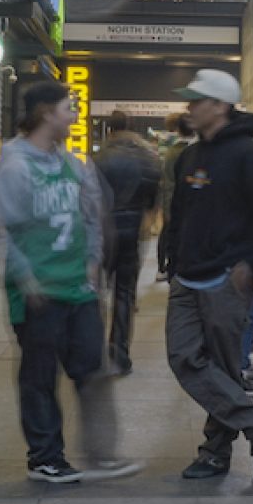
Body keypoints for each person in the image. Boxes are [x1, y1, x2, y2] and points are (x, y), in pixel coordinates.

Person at [0, 82, 140, 485]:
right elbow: (3, 231)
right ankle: (45, 458)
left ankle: (102, 454)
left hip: (79, 289)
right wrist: (25, 278)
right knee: (39, 376)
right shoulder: (15, 165)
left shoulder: (75, 165)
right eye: (66, 107)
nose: (73, 115)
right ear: (44, 113)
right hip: (37, 295)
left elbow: (92, 216)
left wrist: (93, 263)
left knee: (92, 370)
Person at [159, 72, 253, 483]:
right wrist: (171, 253)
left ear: (220, 105)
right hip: (188, 275)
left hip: (226, 279)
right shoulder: (190, 157)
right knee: (184, 356)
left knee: (223, 368)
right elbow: (180, 212)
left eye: (197, 101)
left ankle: (215, 453)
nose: (189, 108)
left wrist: (250, 264)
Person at [95, 112, 161, 374]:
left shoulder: (99, 158)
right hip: (132, 230)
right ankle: (120, 353)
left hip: (103, 230)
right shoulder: (147, 157)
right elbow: (154, 197)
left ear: (109, 130)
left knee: (96, 290)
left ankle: (93, 350)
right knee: (125, 293)